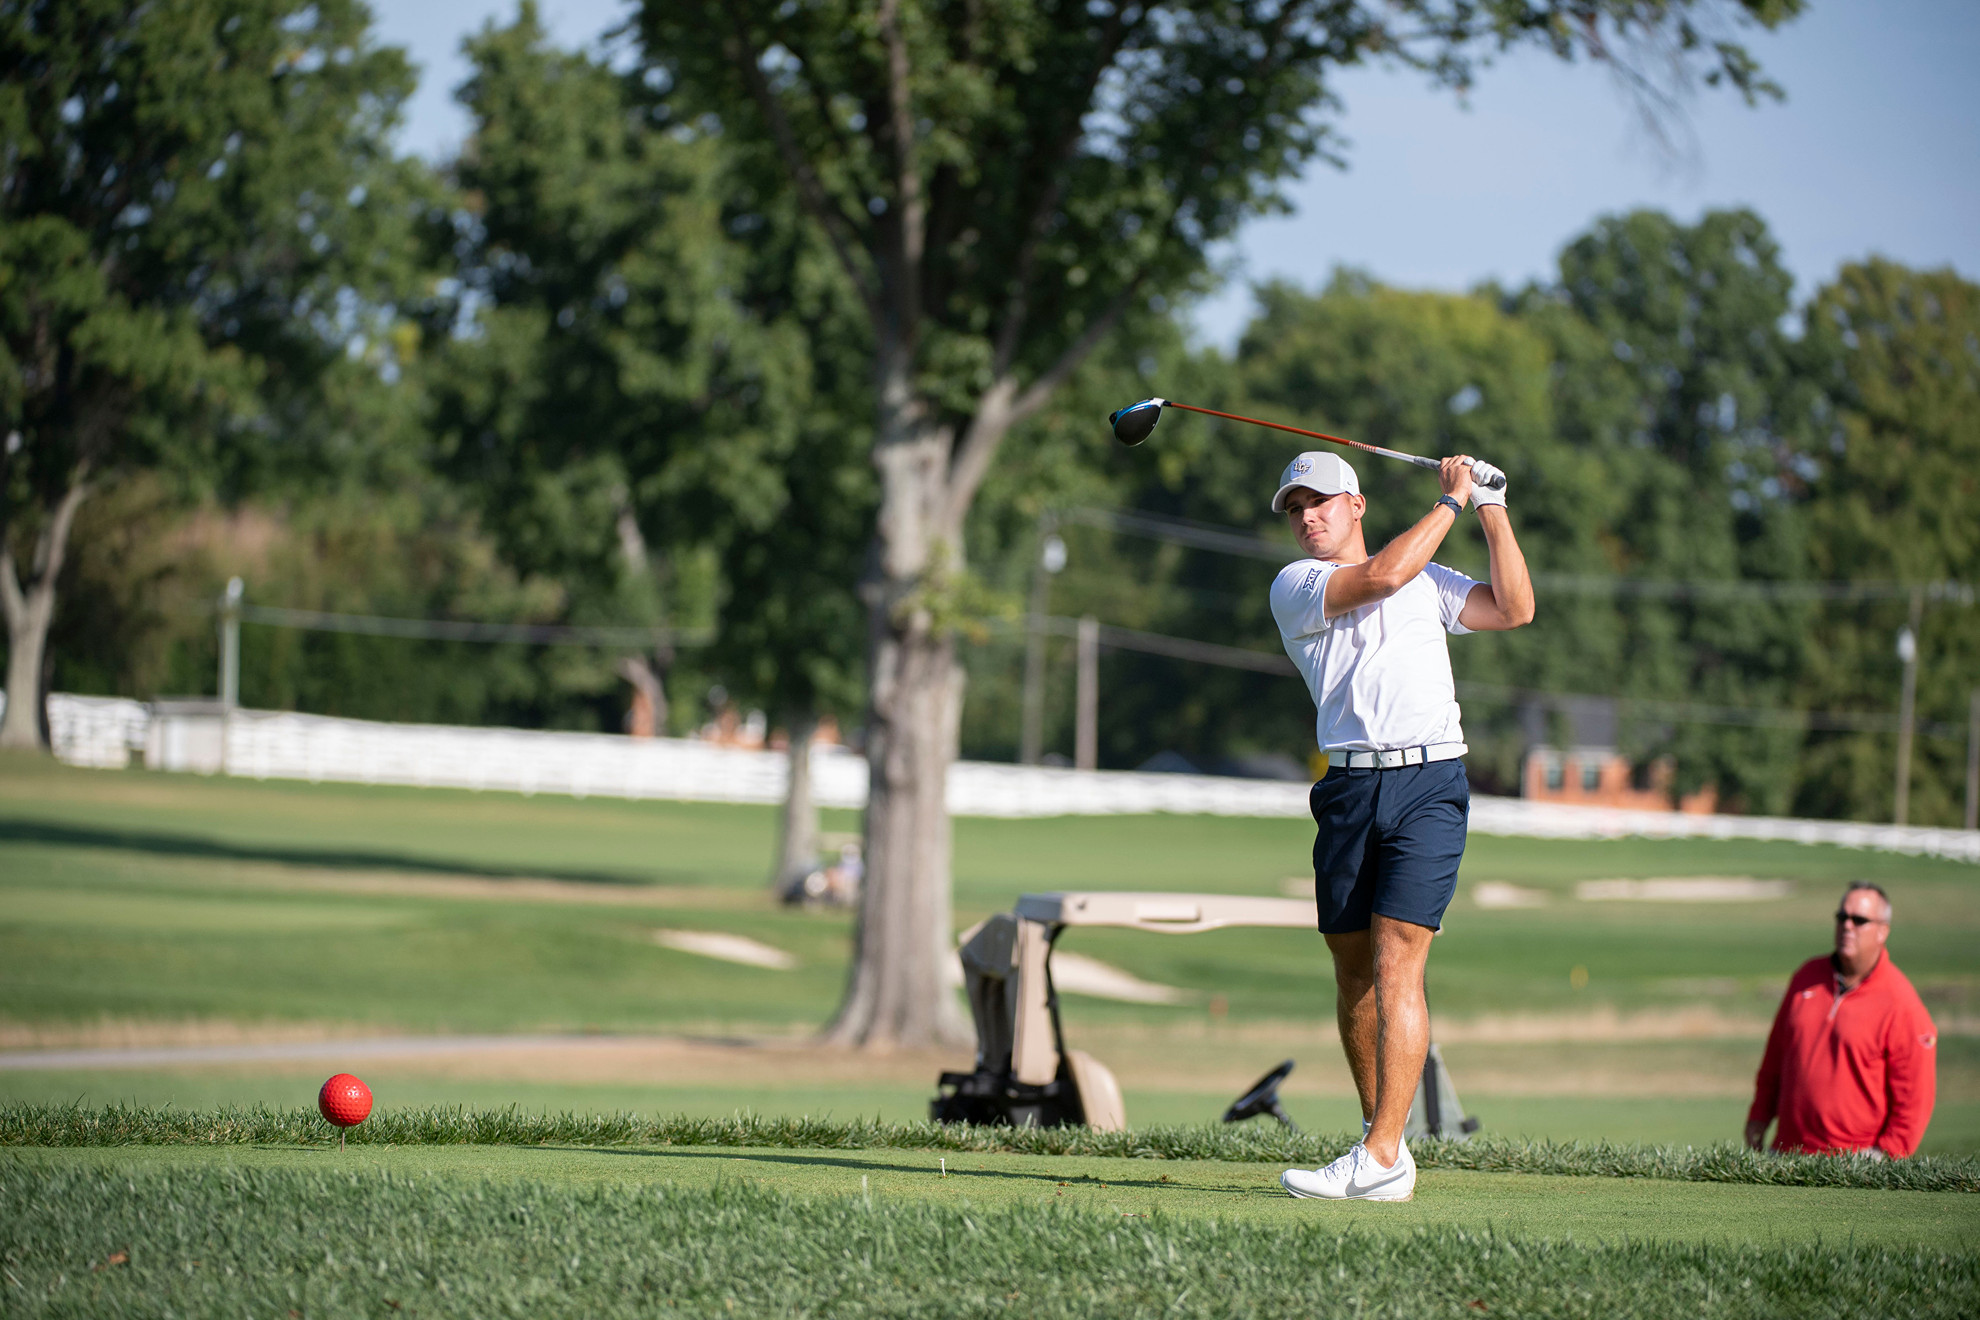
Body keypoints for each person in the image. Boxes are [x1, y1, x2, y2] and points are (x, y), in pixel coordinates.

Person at [1269, 450, 1534, 1201]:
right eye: (1296, 508)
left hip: (1430, 783)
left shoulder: (1427, 578)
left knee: (1396, 962)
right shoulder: (1297, 585)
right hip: (1350, 789)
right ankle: (1380, 1143)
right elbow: (1382, 576)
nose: (1307, 518)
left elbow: (1514, 608)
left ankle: (1383, 1153)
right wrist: (1451, 501)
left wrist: (1490, 506)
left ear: (1356, 505)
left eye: (1320, 502)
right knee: (1353, 971)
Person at [1746, 881, 1937, 1159]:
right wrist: (1760, 1114)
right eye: (1842, 917)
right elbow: (1775, 1055)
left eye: (1859, 920)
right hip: (1787, 1152)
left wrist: (1885, 1156)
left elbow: (1915, 1096)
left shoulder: (1901, 1002)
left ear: (1882, 931)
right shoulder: (1807, 976)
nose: (1847, 926)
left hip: (1855, 1161)